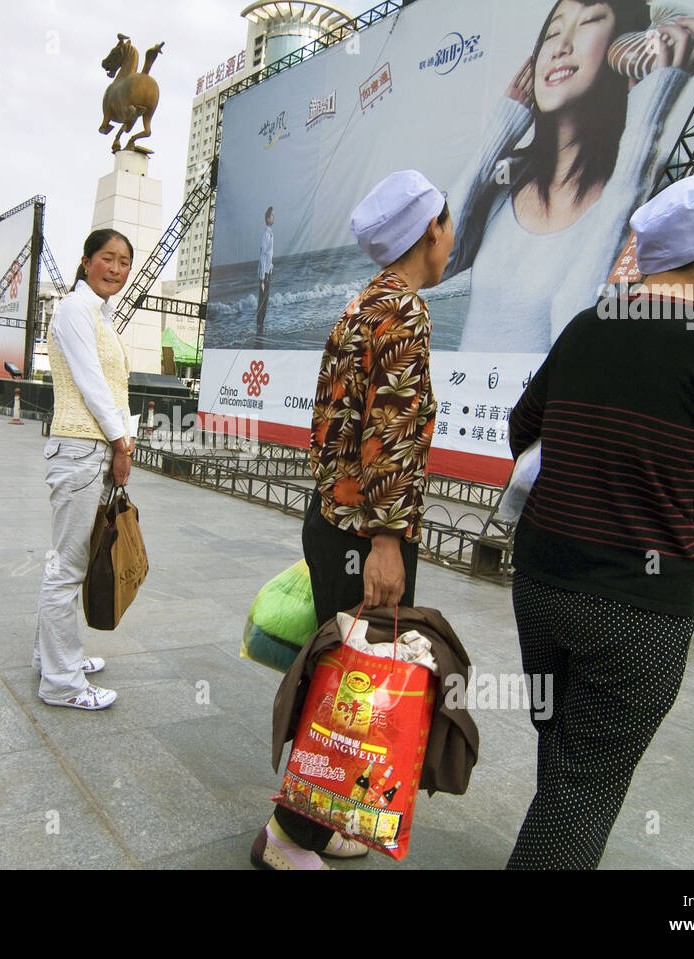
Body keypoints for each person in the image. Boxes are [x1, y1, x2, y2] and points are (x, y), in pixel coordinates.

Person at [505, 170, 694, 869]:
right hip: (637, 612)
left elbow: (520, 428)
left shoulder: (588, 328)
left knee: (563, 759)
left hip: (542, 585)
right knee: (586, 786)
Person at [251, 170, 452, 869]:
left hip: (336, 522)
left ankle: (324, 814)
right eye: (448, 225)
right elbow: (390, 435)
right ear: (431, 229)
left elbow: (334, 424)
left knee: (345, 675)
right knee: (352, 691)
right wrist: (387, 545)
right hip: (367, 534)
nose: (450, 238)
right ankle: (287, 835)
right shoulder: (404, 311)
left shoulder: (361, 305)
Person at [442, 0, 694, 352]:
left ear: (622, 48)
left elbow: (580, 321)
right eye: (552, 32)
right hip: (473, 406)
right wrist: (499, 134)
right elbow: (438, 262)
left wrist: (647, 122)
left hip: (557, 407)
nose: (560, 46)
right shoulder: (508, 176)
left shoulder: (654, 187)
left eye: (588, 24)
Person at [33, 229, 135, 710]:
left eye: (124, 262)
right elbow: (93, 385)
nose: (116, 269)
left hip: (85, 448)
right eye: (107, 259)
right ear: (86, 260)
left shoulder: (97, 314)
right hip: (82, 449)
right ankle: (62, 682)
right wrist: (121, 444)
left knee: (66, 562)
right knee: (68, 568)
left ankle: (49, 655)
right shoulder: (76, 310)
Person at [256, 206, 274, 343]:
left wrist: (271, 268)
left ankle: (261, 326)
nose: (273, 218)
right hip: (265, 275)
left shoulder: (270, 233)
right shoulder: (266, 235)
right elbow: (263, 255)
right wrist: (262, 277)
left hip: (268, 273)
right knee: (262, 301)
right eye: (272, 216)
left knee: (265, 301)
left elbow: (269, 256)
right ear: (268, 218)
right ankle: (259, 325)